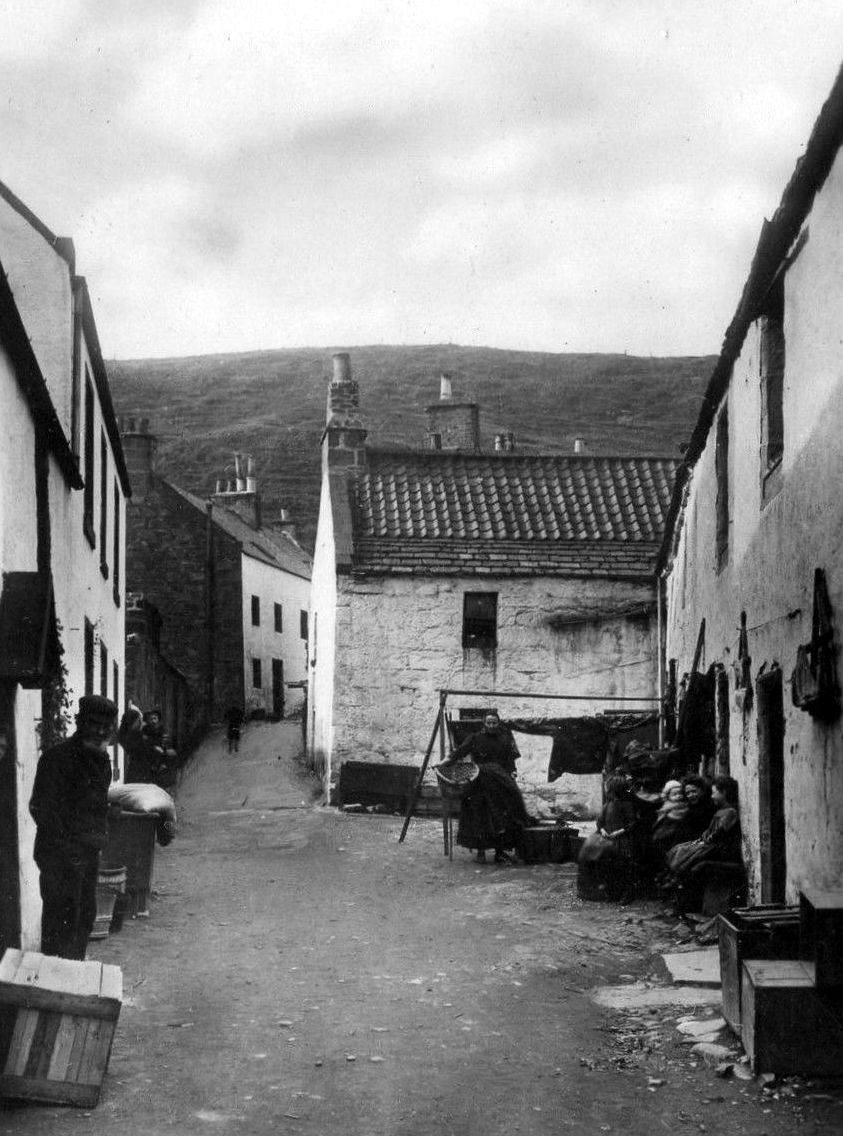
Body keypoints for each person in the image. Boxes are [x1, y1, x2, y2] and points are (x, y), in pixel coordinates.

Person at [29, 695, 119, 959]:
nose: (101, 731)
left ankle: (73, 977)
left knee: (84, 919)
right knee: (61, 923)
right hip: (60, 857)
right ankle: (55, 986)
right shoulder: (56, 759)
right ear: (80, 723)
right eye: (94, 724)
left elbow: (95, 802)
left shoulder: (101, 760)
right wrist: (67, 848)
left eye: (107, 726)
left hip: (87, 853)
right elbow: (40, 808)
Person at [437, 712, 530, 863]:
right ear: (484, 724)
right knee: (480, 815)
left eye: (494, 723)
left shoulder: (505, 739)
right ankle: (481, 851)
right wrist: (444, 762)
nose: (492, 726)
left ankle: (500, 852)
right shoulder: (475, 738)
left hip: (501, 781)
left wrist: (512, 772)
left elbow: (510, 760)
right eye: (489, 723)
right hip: (479, 780)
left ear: (498, 723)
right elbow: (460, 752)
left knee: (503, 816)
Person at [662, 774, 742, 887]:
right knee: (680, 849)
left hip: (718, 847)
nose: (712, 796)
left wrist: (705, 840)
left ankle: (678, 877)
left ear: (724, 793)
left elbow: (718, 833)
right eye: (687, 793)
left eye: (714, 793)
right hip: (708, 842)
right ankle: (674, 875)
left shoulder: (729, 812)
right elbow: (710, 830)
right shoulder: (720, 810)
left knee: (692, 854)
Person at [577, 775, 639, 902]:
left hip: (622, 840)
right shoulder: (608, 804)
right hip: (607, 840)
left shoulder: (626, 805)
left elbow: (632, 824)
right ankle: (609, 892)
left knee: (623, 868)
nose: (606, 790)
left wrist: (619, 832)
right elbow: (600, 822)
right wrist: (603, 830)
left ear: (615, 789)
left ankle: (626, 894)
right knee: (605, 865)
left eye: (608, 788)